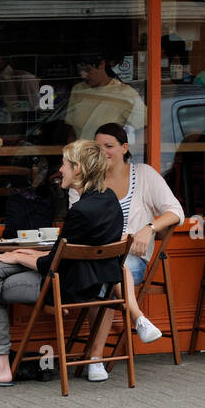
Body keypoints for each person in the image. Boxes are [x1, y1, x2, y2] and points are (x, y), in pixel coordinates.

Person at [0, 139, 124, 385]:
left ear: (79, 169)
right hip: (92, 286)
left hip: (65, 287)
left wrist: (19, 255)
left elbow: (50, 266)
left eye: (64, 164)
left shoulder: (80, 211)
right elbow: (65, 256)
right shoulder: (109, 200)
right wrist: (21, 255)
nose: (60, 170)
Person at [82, 122, 184, 382]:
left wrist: (148, 229)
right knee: (104, 276)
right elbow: (81, 225)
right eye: (98, 146)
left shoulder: (144, 174)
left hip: (133, 258)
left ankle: (95, 358)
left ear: (125, 147)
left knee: (106, 278)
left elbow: (176, 212)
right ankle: (138, 319)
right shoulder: (88, 179)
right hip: (96, 257)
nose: (103, 151)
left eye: (109, 146)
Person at [63, 51, 146, 141]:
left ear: (102, 64)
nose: (84, 75)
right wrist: (70, 152)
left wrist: (130, 149)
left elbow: (146, 126)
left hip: (107, 153)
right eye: (80, 71)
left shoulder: (124, 92)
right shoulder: (78, 90)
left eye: (88, 70)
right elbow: (72, 129)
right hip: (81, 152)